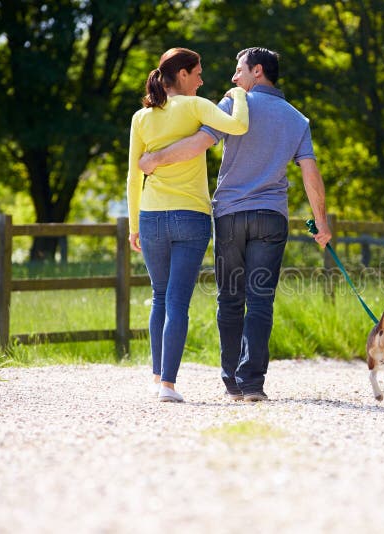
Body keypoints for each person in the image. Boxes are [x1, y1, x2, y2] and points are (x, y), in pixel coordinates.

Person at [139, 47, 331, 402]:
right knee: (260, 301)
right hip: (271, 218)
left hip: (230, 216)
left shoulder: (232, 105)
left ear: (258, 71)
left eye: (238, 69)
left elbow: (198, 144)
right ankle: (253, 383)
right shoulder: (297, 119)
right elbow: (310, 172)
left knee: (230, 299)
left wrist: (152, 160)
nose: (232, 77)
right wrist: (322, 223)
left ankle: (232, 381)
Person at [127, 47, 249, 403]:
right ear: (181, 74)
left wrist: (133, 224)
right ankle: (168, 385)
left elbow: (134, 176)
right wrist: (238, 93)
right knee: (177, 302)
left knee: (159, 297)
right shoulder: (196, 106)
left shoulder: (141, 117)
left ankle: (156, 378)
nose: (201, 79)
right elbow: (239, 125)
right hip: (191, 217)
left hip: (150, 216)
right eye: (197, 72)